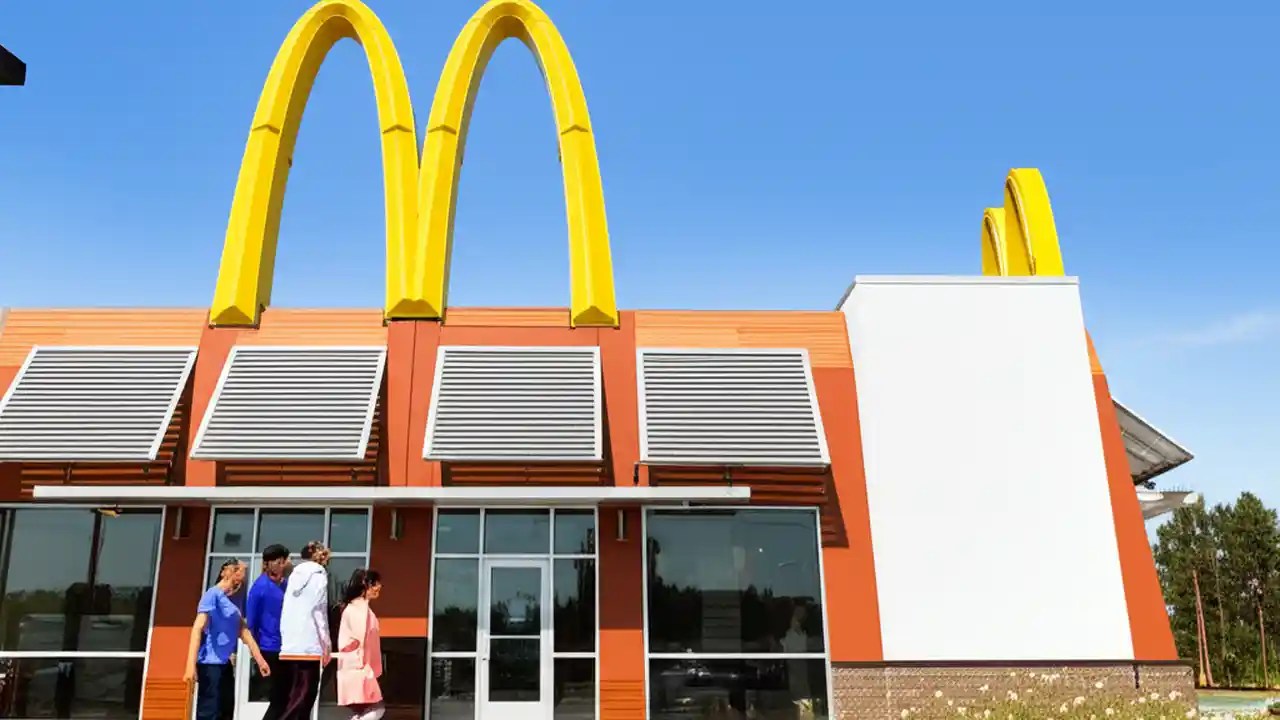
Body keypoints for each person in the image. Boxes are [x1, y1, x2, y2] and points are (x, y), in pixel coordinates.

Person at [185, 558, 272, 720]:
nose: (243, 577)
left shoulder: (233, 599)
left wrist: (260, 660)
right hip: (209, 664)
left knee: (226, 711)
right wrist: (190, 666)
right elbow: (197, 629)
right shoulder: (212, 595)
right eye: (241, 572)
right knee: (210, 712)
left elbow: (243, 631)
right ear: (229, 571)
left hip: (224, 665)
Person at [276, 541, 332, 720]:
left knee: (295, 693)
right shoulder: (319, 576)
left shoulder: (294, 576)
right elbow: (319, 610)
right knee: (305, 696)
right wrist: (326, 644)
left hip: (291, 644)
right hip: (309, 643)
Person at [246, 544, 291, 720]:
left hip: (286, 647)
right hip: (269, 648)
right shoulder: (259, 588)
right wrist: (257, 655)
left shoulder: (286, 585)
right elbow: (251, 623)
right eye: (278, 562)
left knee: (288, 697)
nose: (281, 565)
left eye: (283, 562)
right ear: (269, 564)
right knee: (279, 699)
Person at [336, 569, 384, 720]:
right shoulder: (359, 609)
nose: (379, 587)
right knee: (376, 710)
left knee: (366, 711)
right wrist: (366, 671)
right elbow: (361, 641)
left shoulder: (357, 608)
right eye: (375, 584)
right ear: (365, 585)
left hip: (357, 668)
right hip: (359, 669)